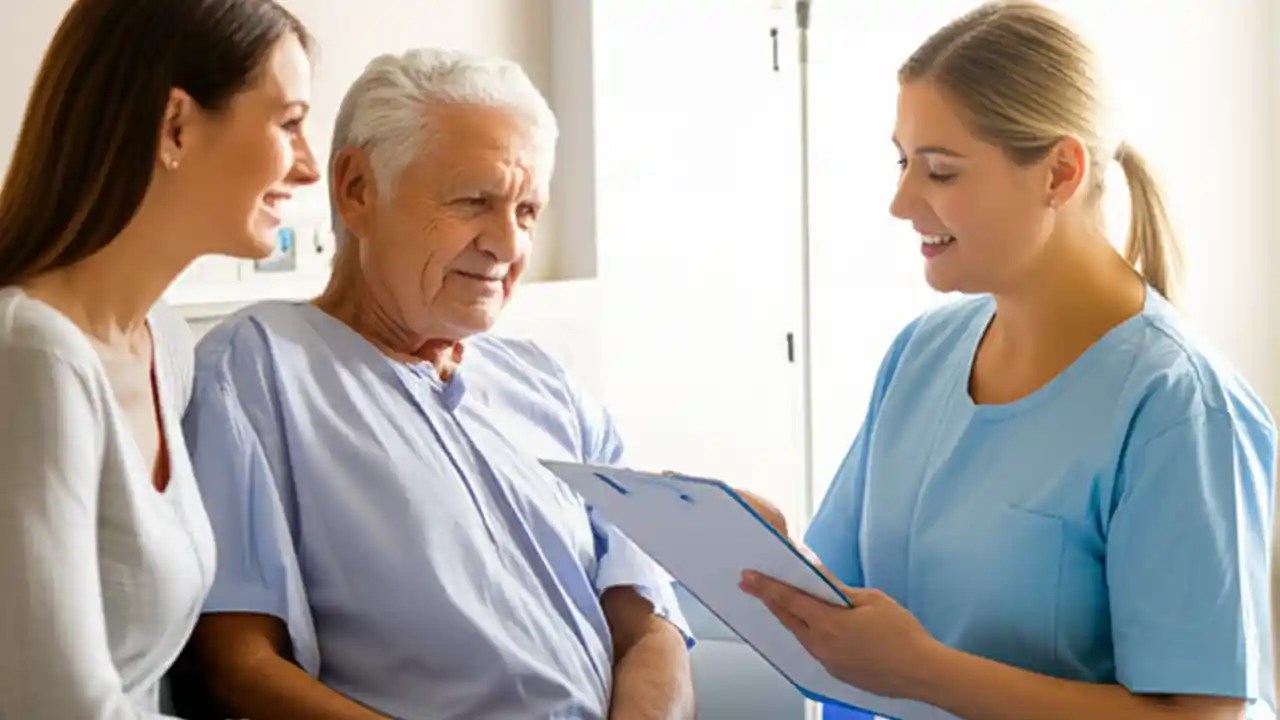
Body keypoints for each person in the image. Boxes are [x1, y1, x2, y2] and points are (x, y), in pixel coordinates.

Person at [738, 2, 1277, 719]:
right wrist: (758, 560)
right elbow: (853, 612)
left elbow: (1201, 716)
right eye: (904, 162)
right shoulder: (921, 355)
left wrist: (928, 673)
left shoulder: (1177, 407)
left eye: (940, 171)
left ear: (1058, 172)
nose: (901, 202)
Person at [179, 48, 695, 720]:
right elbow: (237, 667)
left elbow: (650, 624)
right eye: (474, 201)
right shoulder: (255, 370)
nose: (508, 245)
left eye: (528, 211)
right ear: (358, 189)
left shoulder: (549, 386)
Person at [0, 0, 320, 718]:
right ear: (176, 126)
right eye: (290, 122)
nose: (310, 166)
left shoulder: (164, 344)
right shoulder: (31, 357)